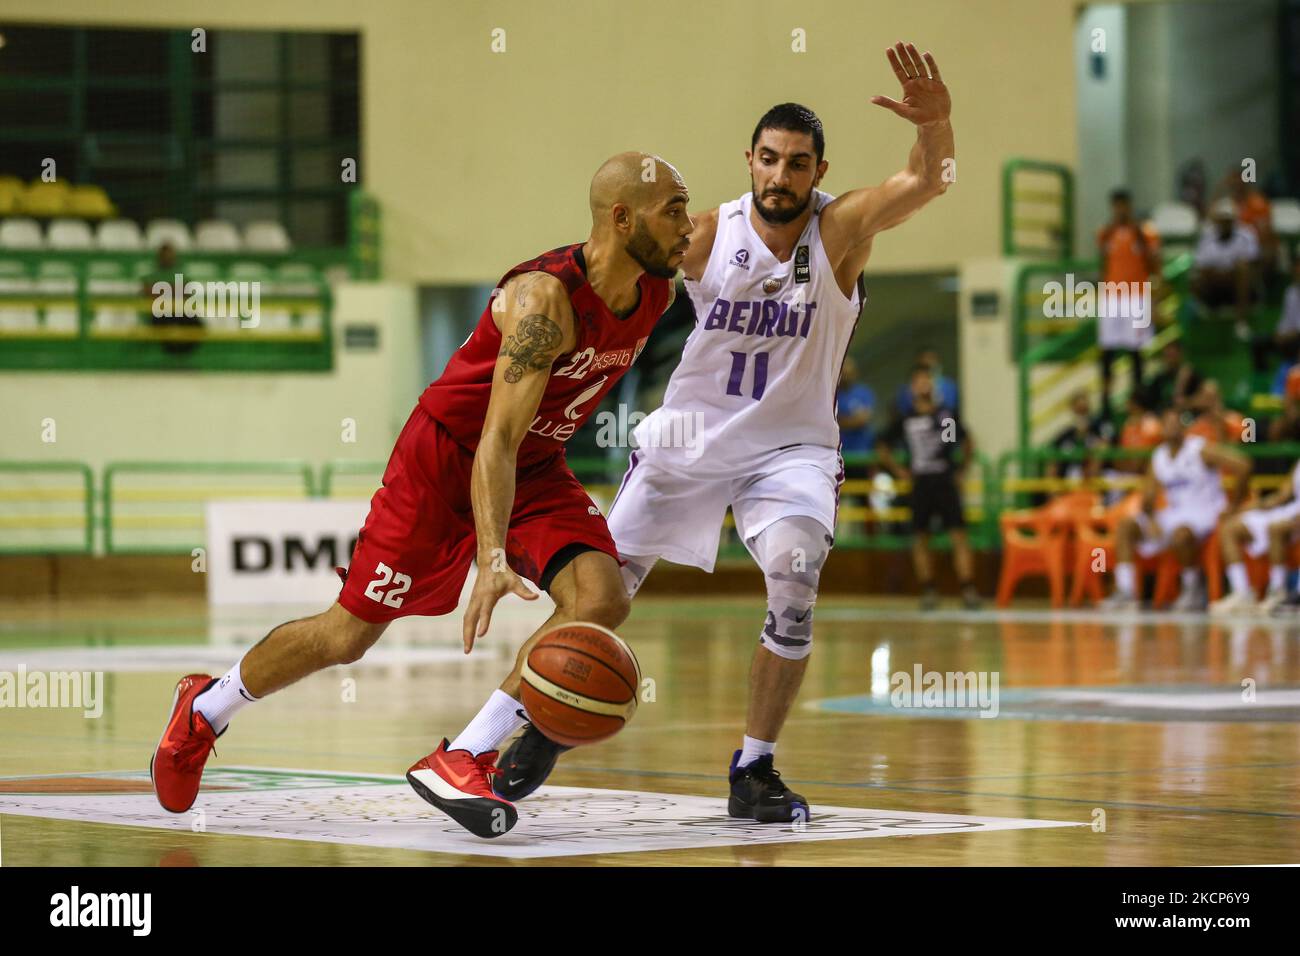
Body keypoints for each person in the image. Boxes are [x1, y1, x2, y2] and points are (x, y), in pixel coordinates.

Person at [149, 152, 692, 839]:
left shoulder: (657, 289)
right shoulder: (542, 303)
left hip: (537, 463)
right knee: (348, 636)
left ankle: (464, 754)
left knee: (601, 597)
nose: (685, 227)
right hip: (446, 459)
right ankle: (206, 708)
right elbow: (493, 439)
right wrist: (492, 556)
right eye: (673, 209)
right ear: (622, 219)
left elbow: (756, 228)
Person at [490, 43, 954, 823]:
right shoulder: (704, 235)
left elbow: (923, 182)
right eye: (769, 160)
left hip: (792, 448)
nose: (781, 176)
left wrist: (937, 127)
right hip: (689, 440)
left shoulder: (840, 231)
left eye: (798, 164)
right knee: (602, 591)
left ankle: (754, 768)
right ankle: (534, 724)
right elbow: (609, 265)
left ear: (818, 169)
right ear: (749, 160)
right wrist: (528, 301)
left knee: (797, 576)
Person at [1101, 408, 1250, 611]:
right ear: (1161, 429)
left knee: (1181, 534)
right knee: (1126, 526)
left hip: (1204, 513)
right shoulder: (1158, 456)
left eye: (1175, 422)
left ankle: (1193, 587)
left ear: (1183, 427)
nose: (1171, 427)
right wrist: (1152, 518)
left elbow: (1243, 464)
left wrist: (1234, 506)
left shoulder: (1200, 449)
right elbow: (1149, 497)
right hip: (1173, 514)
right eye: (1167, 423)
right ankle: (1125, 592)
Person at [878, 363, 979, 611]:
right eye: (919, 380)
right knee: (920, 537)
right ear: (911, 387)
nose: (924, 385)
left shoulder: (944, 415)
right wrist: (899, 471)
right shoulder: (905, 419)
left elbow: (963, 442)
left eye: (927, 380)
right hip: (920, 483)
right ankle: (929, 589)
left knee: (958, 534)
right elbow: (882, 445)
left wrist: (962, 469)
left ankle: (967, 588)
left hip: (944, 479)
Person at [1096, 188, 1161, 421]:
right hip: (1113, 295)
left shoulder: (1145, 233)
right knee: (1107, 352)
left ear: (1130, 206)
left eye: (1124, 205)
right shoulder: (1105, 233)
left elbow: (1155, 264)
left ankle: (1138, 399)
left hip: (1137, 295)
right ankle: (1105, 401)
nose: (1120, 210)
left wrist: (1155, 299)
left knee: (1136, 351)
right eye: (1116, 205)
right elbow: (1103, 263)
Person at [1210, 459, 1300, 617]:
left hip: (1296, 517)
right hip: (1290, 510)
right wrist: (1253, 506)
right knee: (1230, 528)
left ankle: (1277, 592)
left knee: (1276, 528)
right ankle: (1242, 593)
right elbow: (1283, 495)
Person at [1191, 198, 1260, 338]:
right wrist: (1223, 275)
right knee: (1195, 280)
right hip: (1215, 286)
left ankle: (1241, 322)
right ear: (1217, 220)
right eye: (1222, 220)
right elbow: (1202, 268)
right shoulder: (1207, 237)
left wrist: (1230, 274)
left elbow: (1252, 264)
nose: (1225, 224)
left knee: (1243, 271)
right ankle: (1205, 321)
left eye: (1228, 220)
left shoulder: (1246, 235)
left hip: (1239, 287)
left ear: (1234, 220)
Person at [1046, 389, 1108, 484]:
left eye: (1084, 410)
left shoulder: (1098, 432)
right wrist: (1053, 492)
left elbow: (1102, 451)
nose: (1082, 415)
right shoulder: (1064, 435)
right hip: (1068, 484)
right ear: (1072, 410)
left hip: (1092, 482)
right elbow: (1052, 465)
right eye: (1078, 410)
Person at [894, 346, 958, 415]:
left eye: (932, 359)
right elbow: (902, 410)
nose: (928, 363)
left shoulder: (948, 385)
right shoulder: (905, 389)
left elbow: (951, 407)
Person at [1145, 339, 1203, 413]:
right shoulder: (1160, 378)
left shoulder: (1192, 375)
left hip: (1190, 414)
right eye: (1167, 356)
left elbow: (1203, 395)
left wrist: (1186, 402)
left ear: (1181, 354)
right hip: (1166, 415)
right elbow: (1152, 402)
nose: (1170, 359)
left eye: (1173, 355)